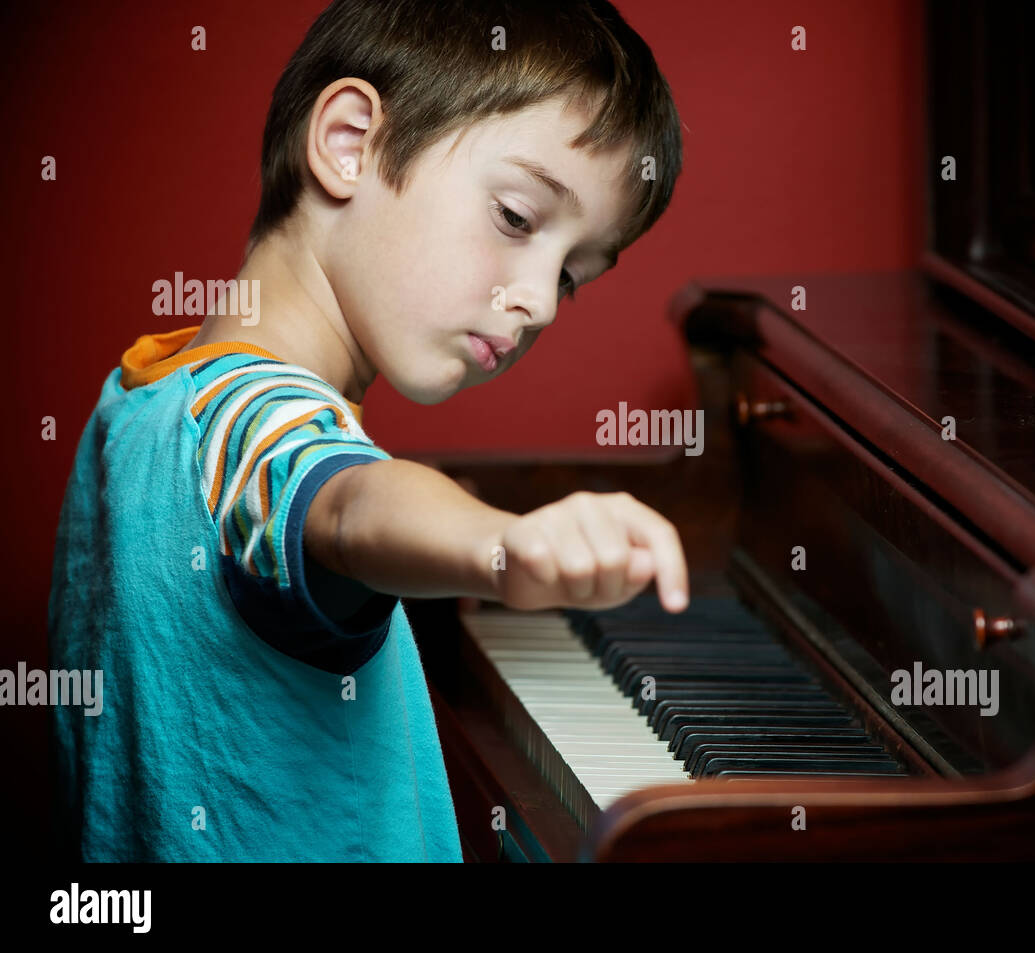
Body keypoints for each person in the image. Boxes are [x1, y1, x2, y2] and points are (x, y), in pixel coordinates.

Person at [47, 0, 686, 862]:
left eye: (571, 275)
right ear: (349, 144)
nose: (537, 299)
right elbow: (347, 503)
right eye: (516, 218)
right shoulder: (255, 421)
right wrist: (504, 543)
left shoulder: (138, 396)